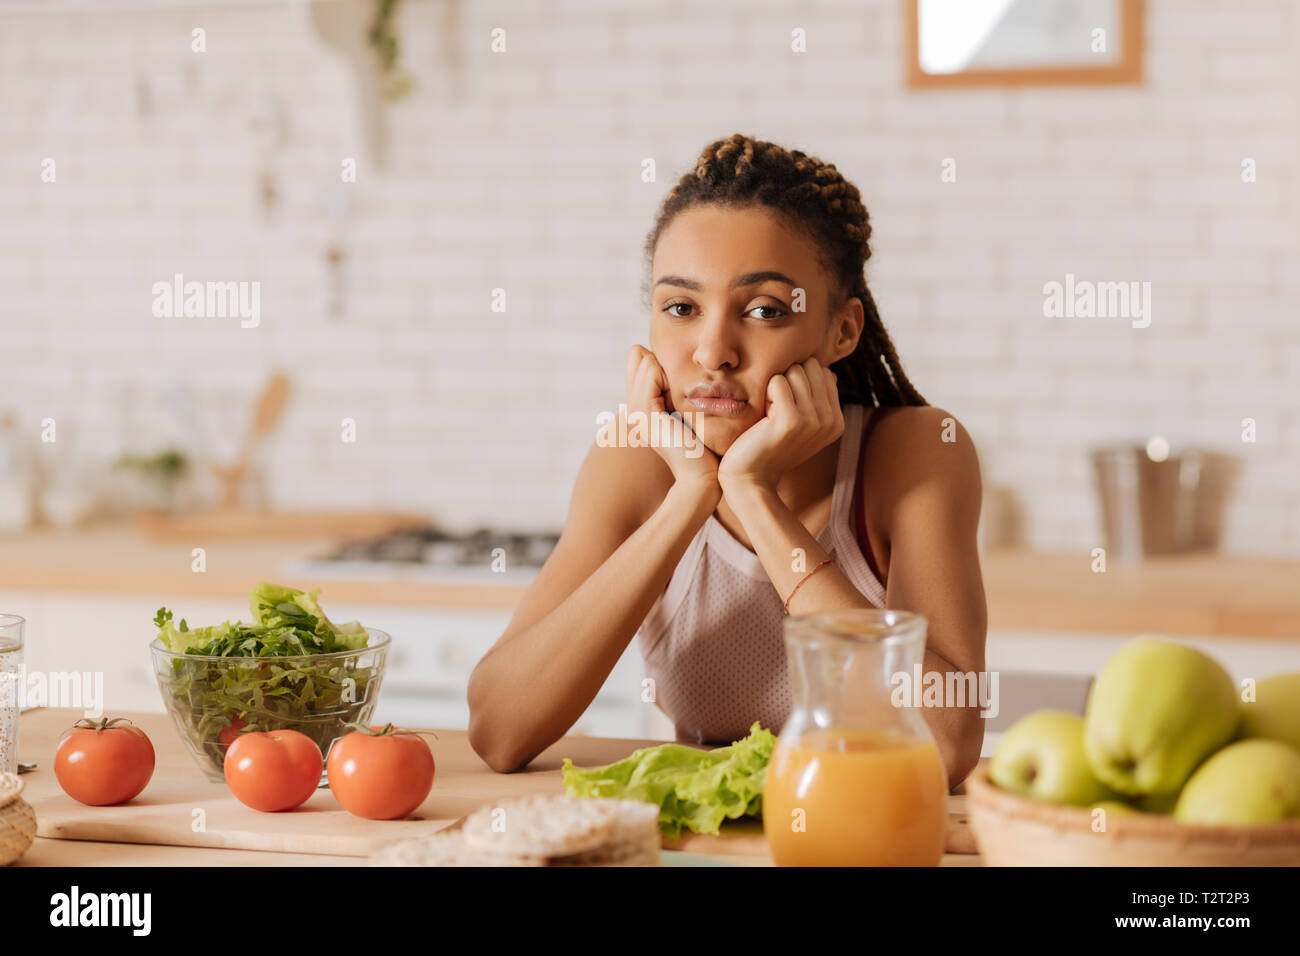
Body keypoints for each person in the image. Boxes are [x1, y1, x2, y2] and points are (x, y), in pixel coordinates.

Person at [468, 134, 987, 787]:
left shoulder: (914, 453)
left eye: (764, 310)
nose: (713, 351)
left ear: (843, 331)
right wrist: (689, 498)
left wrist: (753, 495)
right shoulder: (636, 465)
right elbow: (497, 730)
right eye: (681, 307)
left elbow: (944, 746)